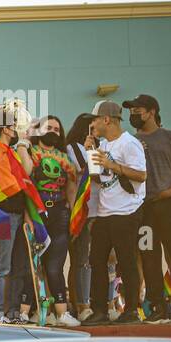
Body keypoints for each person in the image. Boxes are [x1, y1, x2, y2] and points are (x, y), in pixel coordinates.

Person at [127, 94, 171, 323]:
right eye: (131, 110)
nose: (133, 114)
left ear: (152, 111)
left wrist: (170, 191)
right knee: (149, 257)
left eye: (138, 110)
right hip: (144, 209)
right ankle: (157, 308)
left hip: (170, 207)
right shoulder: (131, 141)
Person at [82, 100, 147, 326]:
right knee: (97, 261)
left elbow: (141, 175)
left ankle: (131, 310)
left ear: (106, 119)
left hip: (127, 211)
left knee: (127, 262)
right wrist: (91, 152)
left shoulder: (129, 143)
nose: (93, 124)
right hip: (105, 211)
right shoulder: (104, 145)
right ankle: (99, 309)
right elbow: (98, 177)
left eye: (95, 120)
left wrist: (113, 165)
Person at [13, 116, 79, 326]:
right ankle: (24, 312)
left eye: (57, 129)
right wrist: (24, 143)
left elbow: (71, 186)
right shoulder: (29, 151)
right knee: (31, 266)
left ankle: (61, 313)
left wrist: (73, 215)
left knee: (54, 267)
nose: (52, 131)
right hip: (35, 214)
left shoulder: (65, 157)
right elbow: (26, 173)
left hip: (59, 214)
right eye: (48, 127)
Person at [0, 112, 34, 324]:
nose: (15, 128)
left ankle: (11, 313)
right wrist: (22, 145)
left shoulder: (6, 152)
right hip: (3, 215)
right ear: (5, 129)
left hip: (16, 214)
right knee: (2, 267)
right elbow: (19, 180)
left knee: (16, 266)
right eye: (12, 125)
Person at [64, 113, 97, 318]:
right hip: (81, 212)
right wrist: (90, 149)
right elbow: (90, 172)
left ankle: (101, 303)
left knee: (98, 261)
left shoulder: (102, 148)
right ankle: (81, 305)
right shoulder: (74, 148)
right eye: (93, 128)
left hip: (100, 210)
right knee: (80, 259)